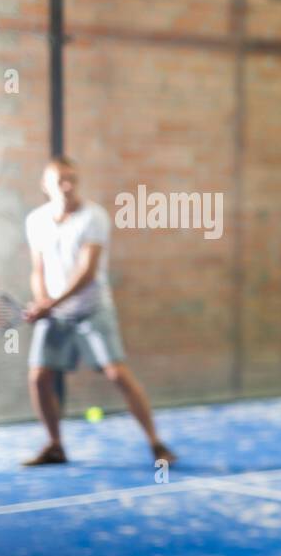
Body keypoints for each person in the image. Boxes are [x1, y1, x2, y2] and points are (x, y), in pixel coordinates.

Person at [22, 156, 176, 467]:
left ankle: (156, 443)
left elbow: (87, 272)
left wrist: (49, 303)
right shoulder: (35, 221)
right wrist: (41, 300)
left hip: (92, 308)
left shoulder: (94, 217)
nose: (68, 186)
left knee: (116, 372)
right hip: (54, 313)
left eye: (72, 179)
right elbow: (38, 268)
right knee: (39, 376)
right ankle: (55, 445)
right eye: (60, 180)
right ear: (45, 186)